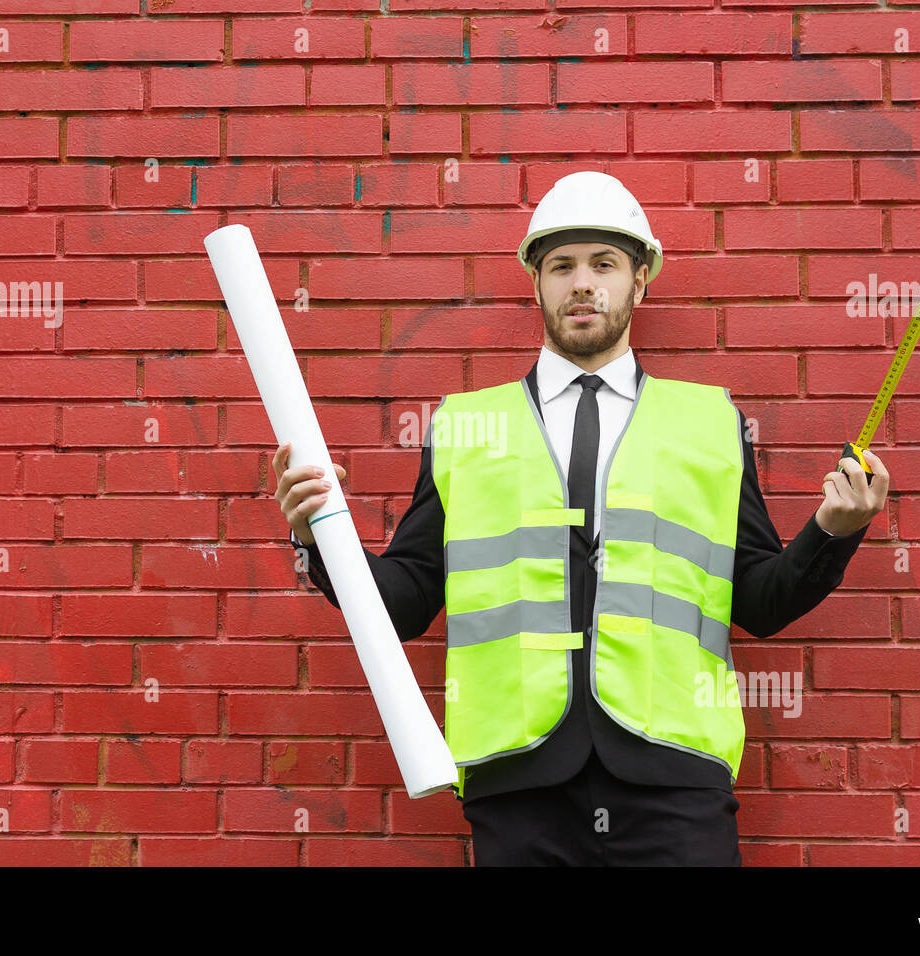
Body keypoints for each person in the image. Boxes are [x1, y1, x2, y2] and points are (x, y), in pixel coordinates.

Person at [272, 170, 887, 866]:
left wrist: (831, 531)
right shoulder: (466, 427)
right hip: (520, 785)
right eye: (561, 266)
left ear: (640, 281)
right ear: (536, 283)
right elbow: (406, 604)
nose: (582, 283)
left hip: (676, 783)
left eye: (604, 264)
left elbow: (759, 598)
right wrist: (319, 537)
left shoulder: (711, 425)